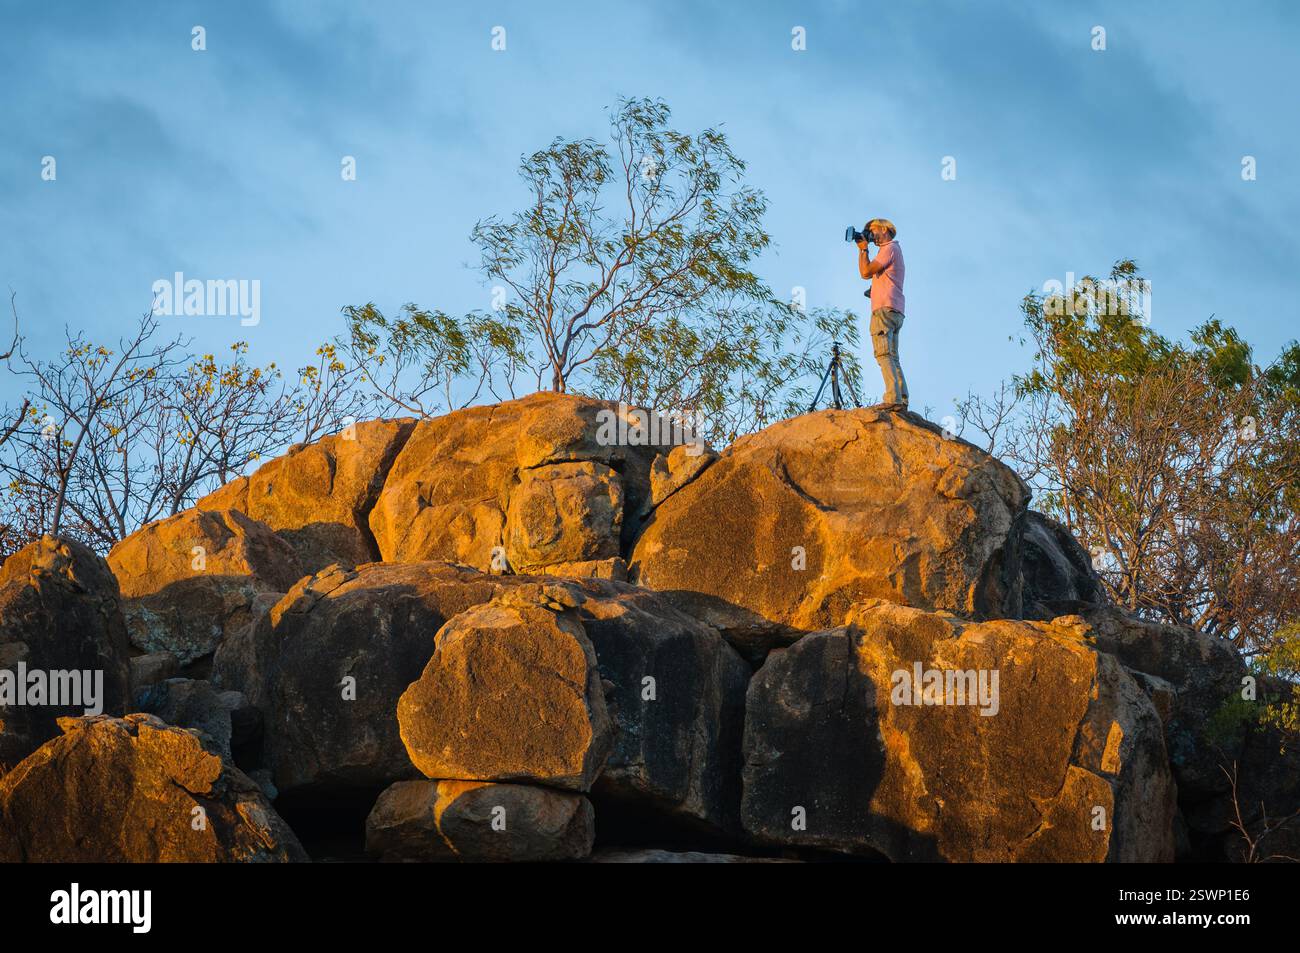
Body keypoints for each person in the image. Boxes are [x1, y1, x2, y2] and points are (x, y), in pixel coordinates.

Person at [855, 218, 908, 410]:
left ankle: (893, 398)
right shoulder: (895, 251)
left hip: (884, 310)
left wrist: (862, 249)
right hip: (896, 309)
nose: (870, 235)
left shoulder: (889, 248)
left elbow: (865, 272)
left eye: (872, 230)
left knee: (883, 354)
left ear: (885, 229)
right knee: (892, 355)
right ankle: (901, 397)